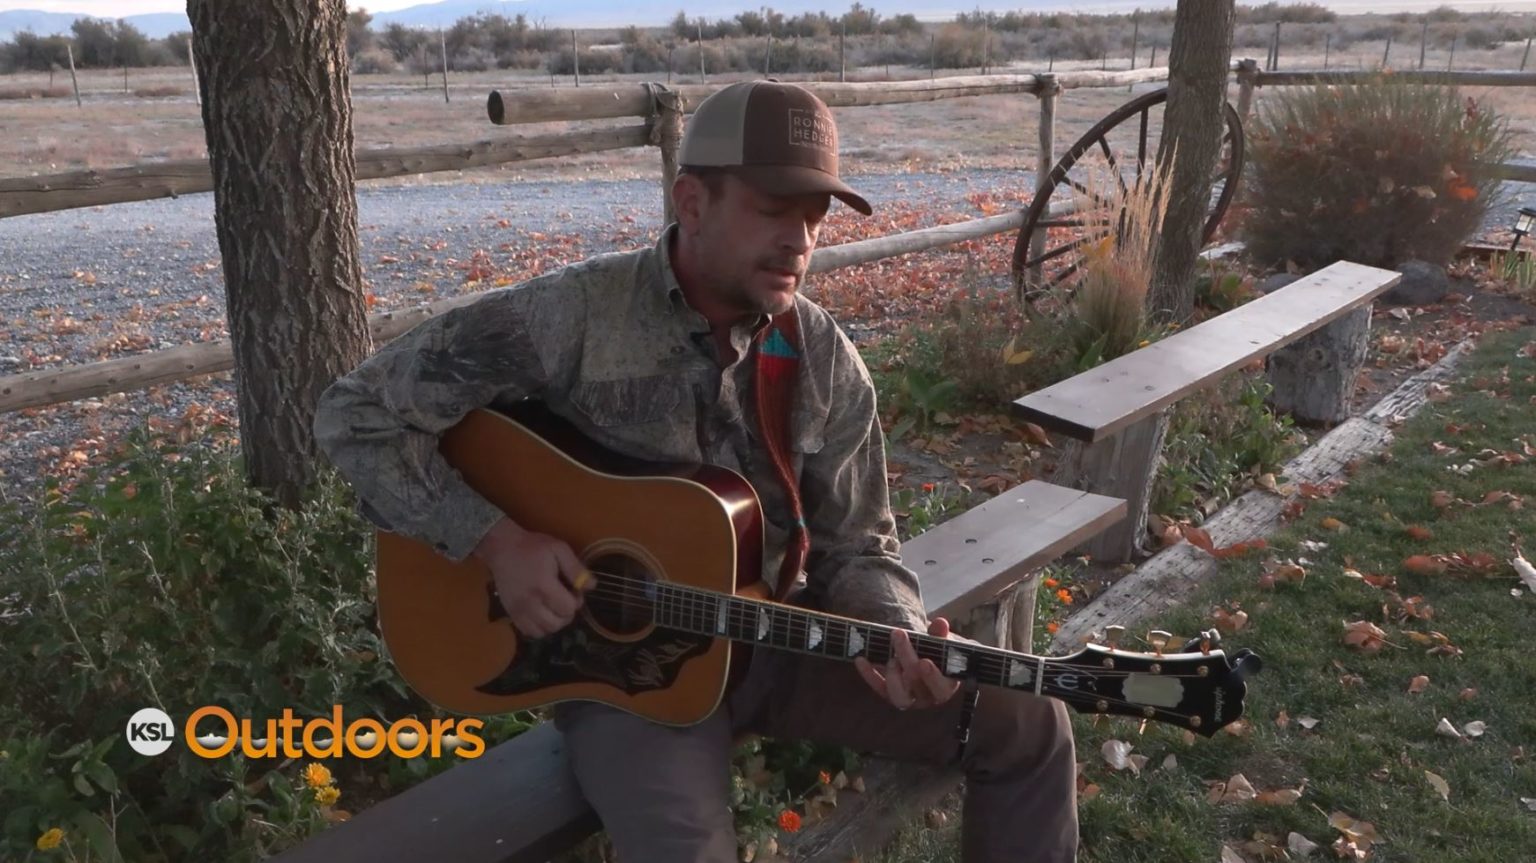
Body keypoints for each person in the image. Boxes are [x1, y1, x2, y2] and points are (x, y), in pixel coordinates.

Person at [313, 79, 1077, 862]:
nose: (799, 240)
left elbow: (858, 546)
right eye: (774, 209)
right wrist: (495, 541)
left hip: (776, 631)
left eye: (813, 217)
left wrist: (893, 632)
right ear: (692, 201)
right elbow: (354, 414)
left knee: (1031, 721)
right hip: (625, 675)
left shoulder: (821, 359)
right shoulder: (571, 319)